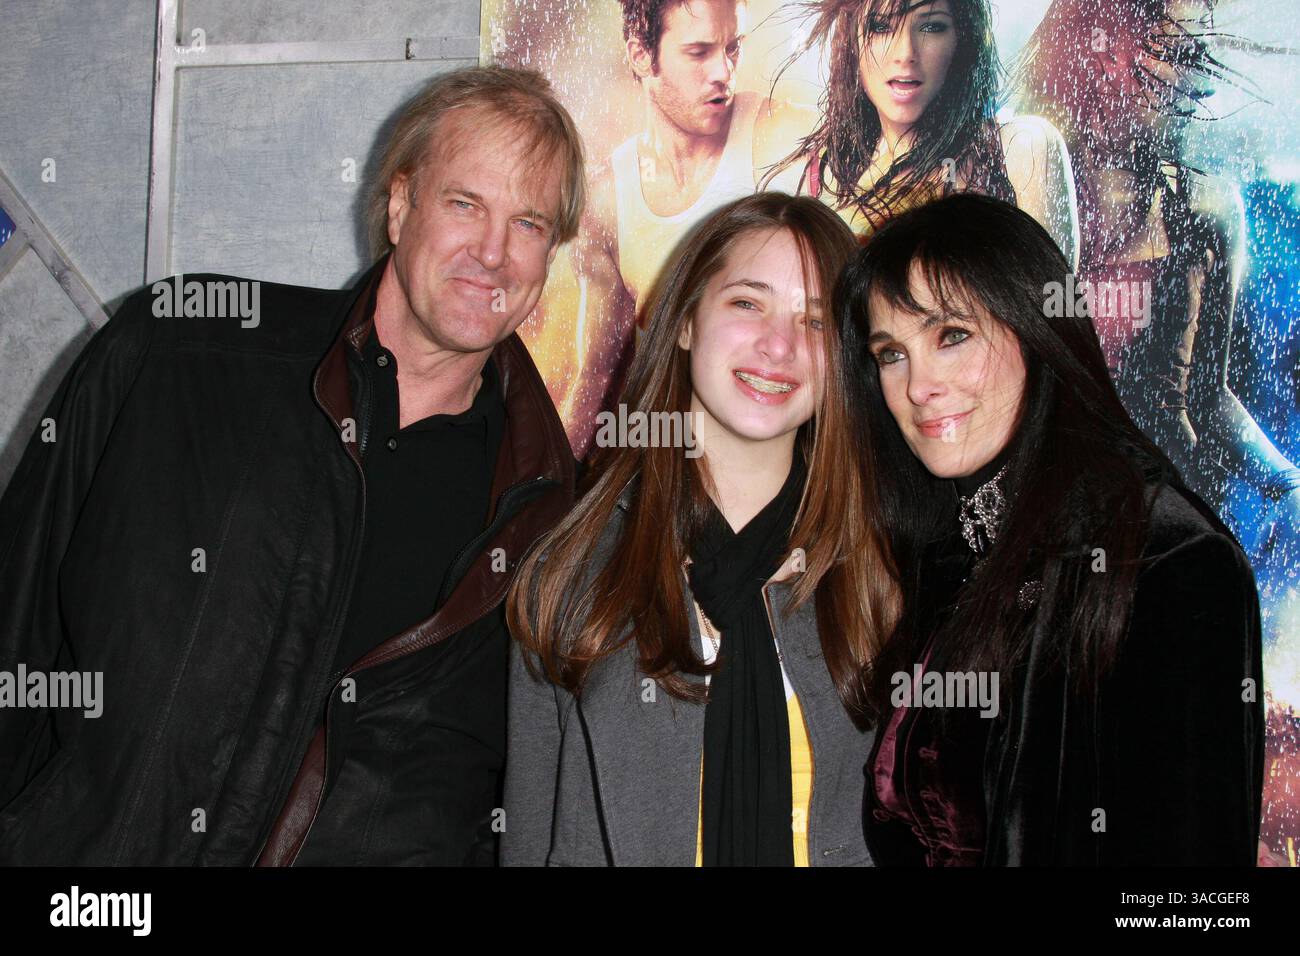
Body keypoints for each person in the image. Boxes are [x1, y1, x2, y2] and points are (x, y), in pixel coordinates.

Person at [0, 66, 581, 865]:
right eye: (465, 204)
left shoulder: (554, 517)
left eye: (529, 224)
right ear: (401, 202)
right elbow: (16, 613)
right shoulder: (178, 357)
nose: (492, 251)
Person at [838, 192, 1264, 865]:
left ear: (1037, 335)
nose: (920, 385)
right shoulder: (955, 545)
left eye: (952, 335)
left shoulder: (1166, 558)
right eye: (891, 354)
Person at [502, 192, 897, 866]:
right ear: (683, 321)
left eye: (816, 320)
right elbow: (531, 836)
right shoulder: (570, 572)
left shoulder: (880, 580)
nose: (779, 345)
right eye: (748, 302)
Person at [1011, 0, 1300, 539]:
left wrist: (1287, 484)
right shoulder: (1025, 180)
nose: (1192, 78)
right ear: (1099, 53)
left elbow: (1209, 398)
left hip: (1167, 510)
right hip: (1048, 508)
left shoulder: (1209, 206)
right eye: (1171, 52)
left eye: (1198, 54)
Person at [552, 0, 813, 454]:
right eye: (698, 52)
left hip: (798, 461)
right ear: (640, 54)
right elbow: (595, 378)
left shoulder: (785, 139)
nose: (723, 73)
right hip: (675, 465)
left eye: (733, 49)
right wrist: (561, 500)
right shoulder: (607, 200)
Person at [763, 0, 1078, 264]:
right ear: (850, 40)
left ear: (961, 38)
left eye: (931, 26)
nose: (905, 53)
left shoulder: (1021, 149)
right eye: (881, 26)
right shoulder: (821, 176)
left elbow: (1055, 320)